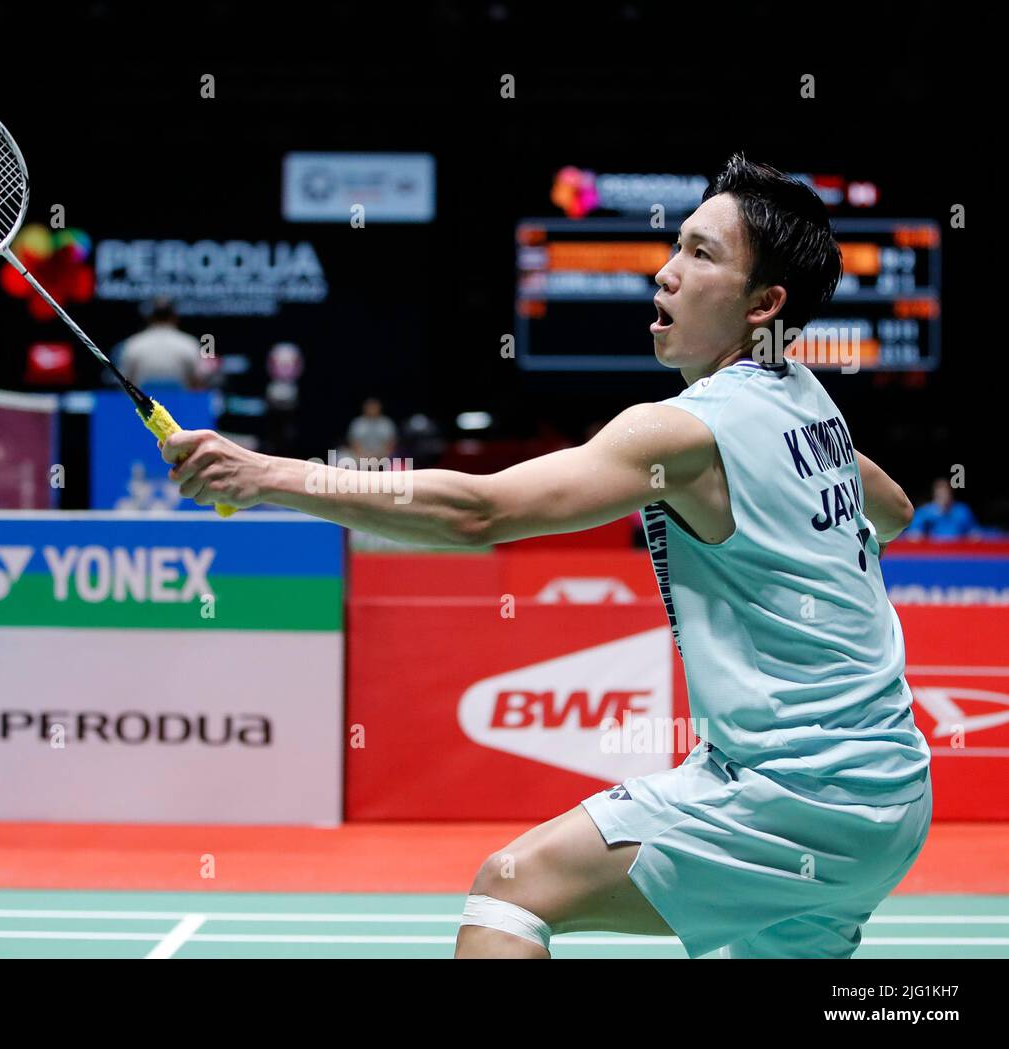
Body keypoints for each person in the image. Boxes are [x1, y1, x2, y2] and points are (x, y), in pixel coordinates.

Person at [159, 155, 932, 959]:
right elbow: (898, 512)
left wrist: (267, 476)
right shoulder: (809, 402)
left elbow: (480, 512)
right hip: (891, 795)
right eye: (676, 247)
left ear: (763, 305)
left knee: (511, 887)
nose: (663, 274)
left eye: (702, 256)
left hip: (793, 793)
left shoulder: (682, 430)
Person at [114, 298, 211, 390]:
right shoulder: (188, 343)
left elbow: (122, 382)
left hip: (142, 406)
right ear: (174, 316)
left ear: (149, 317)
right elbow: (199, 380)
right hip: (180, 406)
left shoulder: (133, 344)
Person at [906, 477, 980, 539]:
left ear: (951, 493)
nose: (944, 496)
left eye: (946, 493)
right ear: (935, 494)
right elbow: (913, 535)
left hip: (958, 552)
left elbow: (974, 534)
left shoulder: (962, 510)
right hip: (933, 552)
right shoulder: (923, 512)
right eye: (940, 493)